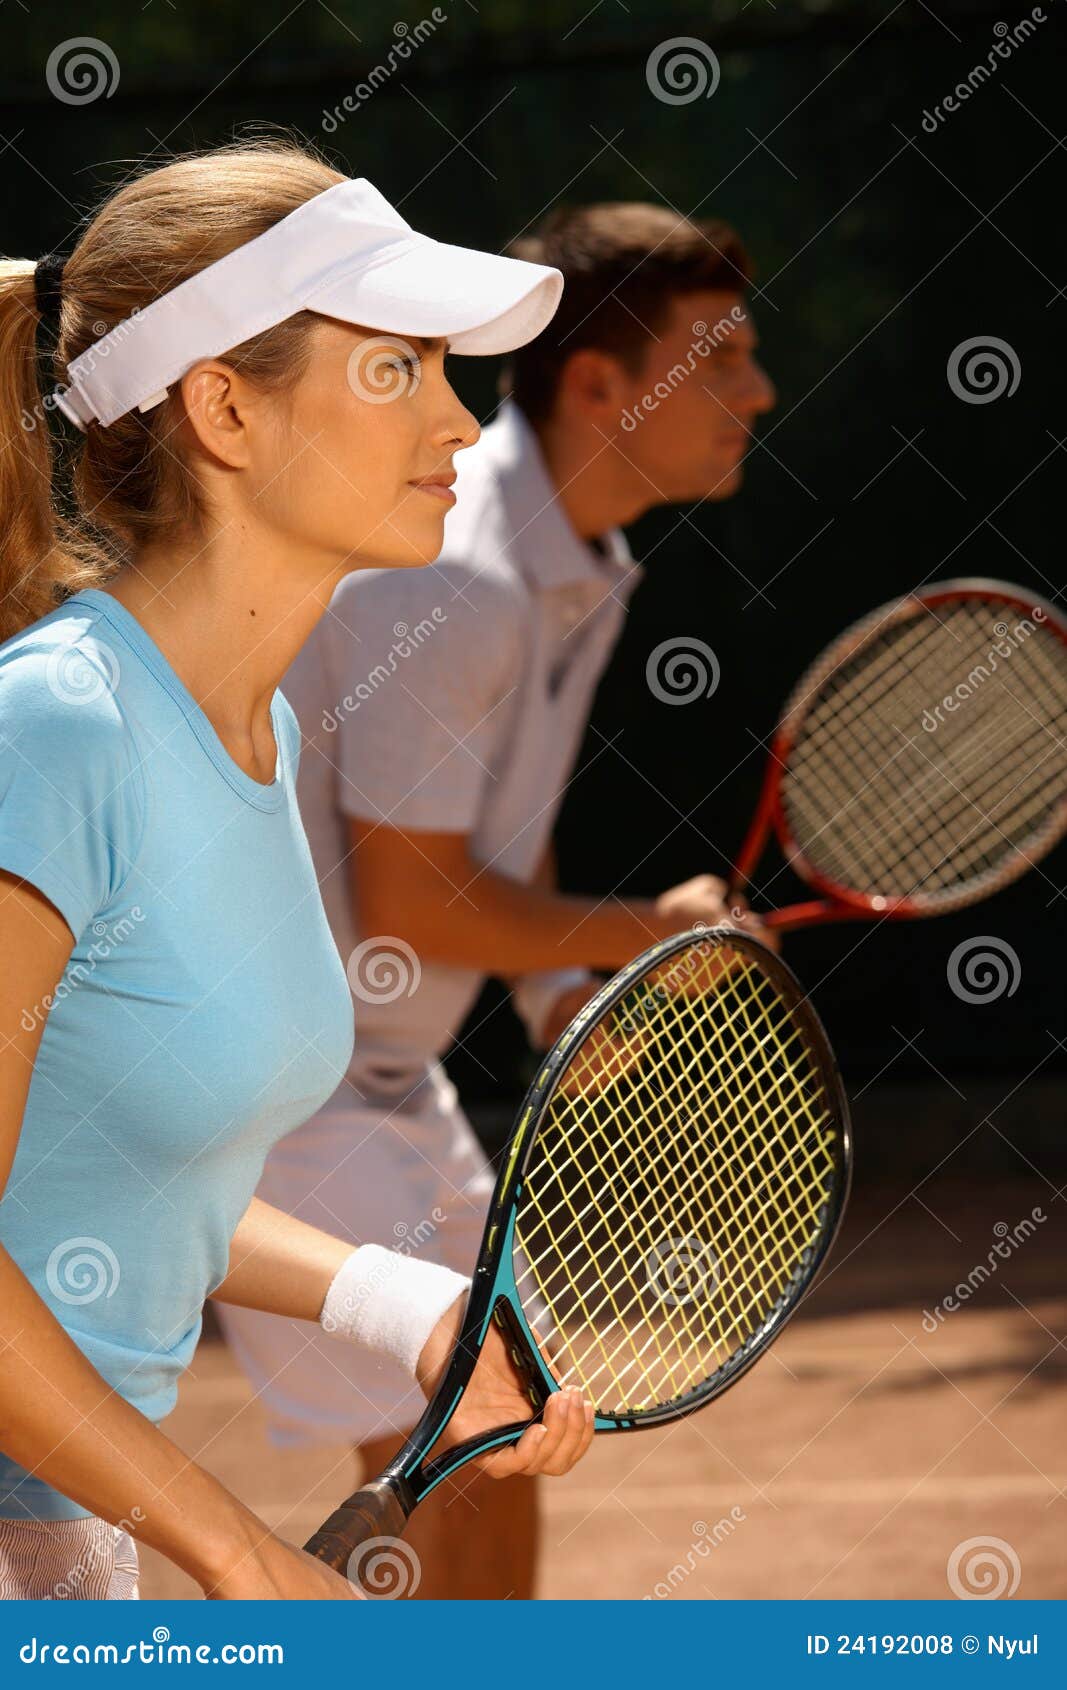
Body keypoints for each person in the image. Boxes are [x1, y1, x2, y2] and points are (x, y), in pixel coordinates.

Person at [0, 139, 596, 1603]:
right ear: (222, 408)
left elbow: (136, 1182)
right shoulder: (56, 727)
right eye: (396, 369)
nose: (458, 422)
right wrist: (235, 1541)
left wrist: (415, 1307)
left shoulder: (250, 720)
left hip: (66, 1528)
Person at [216, 197, 777, 1599]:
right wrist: (650, 935)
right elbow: (412, 899)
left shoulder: (573, 562)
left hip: (374, 1079)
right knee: (439, 1478)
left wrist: (554, 985)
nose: (758, 393)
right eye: (720, 358)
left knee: (506, 1446)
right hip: (285, 1090)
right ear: (601, 384)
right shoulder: (463, 571)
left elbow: (477, 857)